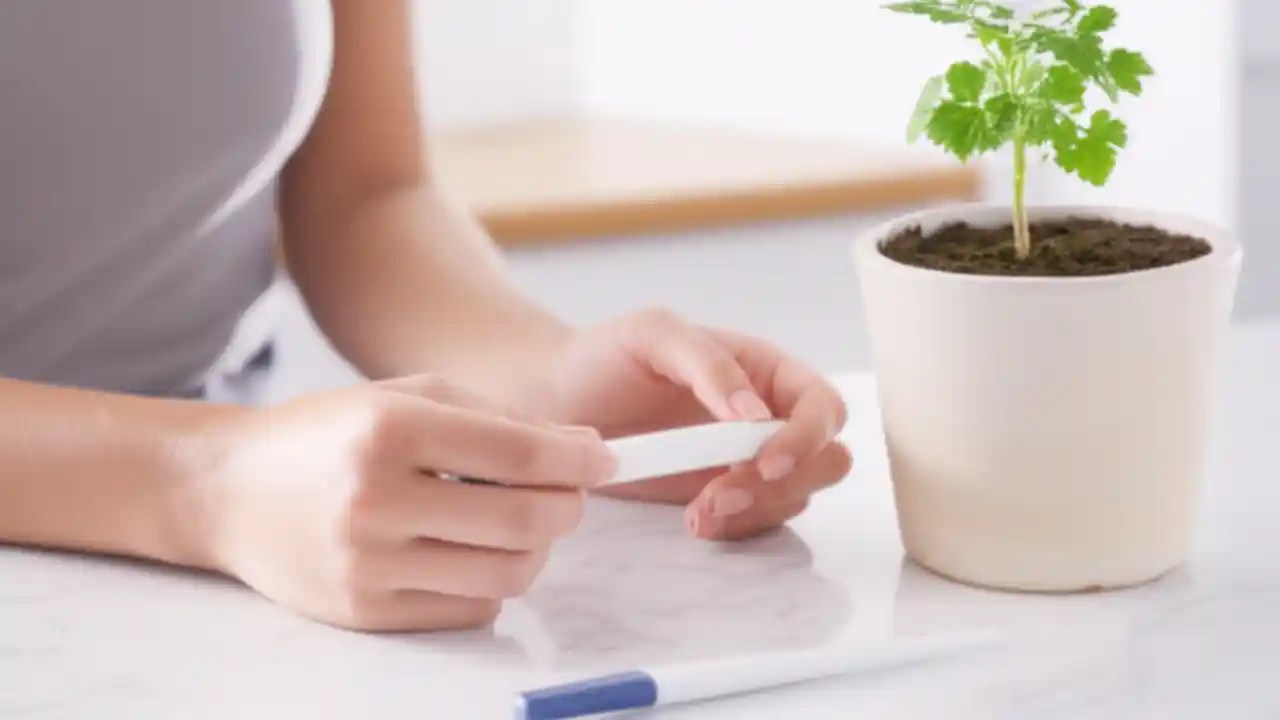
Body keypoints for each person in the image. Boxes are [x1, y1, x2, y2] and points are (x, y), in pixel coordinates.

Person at [0, 1, 850, 632]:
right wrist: (205, 482)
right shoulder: (213, 485)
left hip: (215, 573)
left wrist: (542, 385)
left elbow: (367, 193)